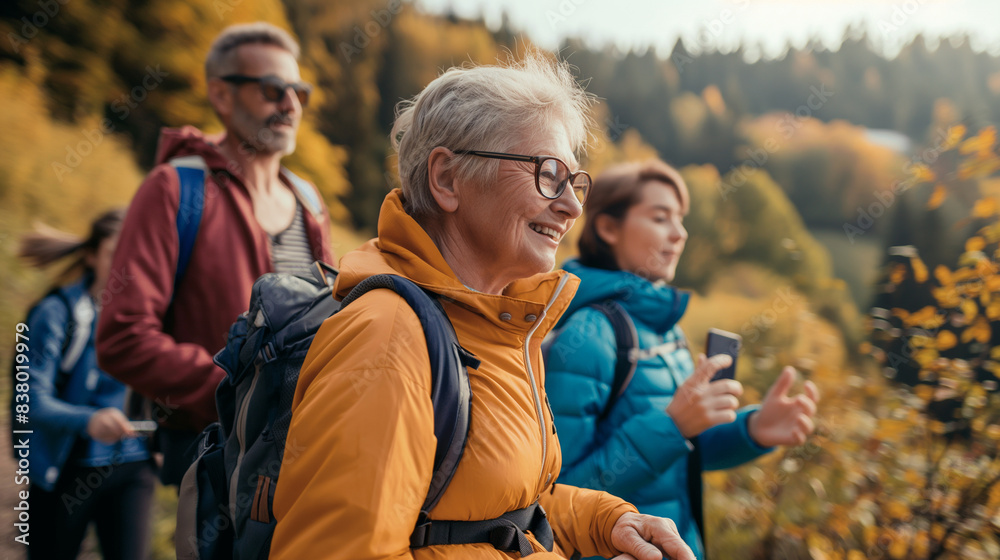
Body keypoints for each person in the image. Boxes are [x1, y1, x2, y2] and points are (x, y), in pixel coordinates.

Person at [270, 54, 695, 560]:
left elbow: (505, 510)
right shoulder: (387, 340)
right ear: (447, 178)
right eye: (547, 173)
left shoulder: (504, 325)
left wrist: (609, 522)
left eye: (574, 182)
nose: (572, 205)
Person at [96, 22, 336, 485]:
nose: (289, 105)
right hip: (212, 457)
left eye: (298, 92)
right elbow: (122, 338)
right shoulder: (174, 189)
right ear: (222, 96)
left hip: (302, 452)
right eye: (272, 89)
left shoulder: (310, 201)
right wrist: (241, 393)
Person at [544, 159, 821, 559]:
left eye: (681, 219)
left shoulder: (663, 329)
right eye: (660, 218)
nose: (679, 234)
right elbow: (559, 494)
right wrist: (671, 427)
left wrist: (753, 429)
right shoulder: (588, 335)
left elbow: (682, 453)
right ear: (607, 228)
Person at [15, 209, 156, 560]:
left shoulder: (154, 318)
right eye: (115, 253)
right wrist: (88, 421)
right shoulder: (53, 313)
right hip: (66, 472)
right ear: (92, 256)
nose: (128, 264)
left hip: (133, 467)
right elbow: (28, 399)